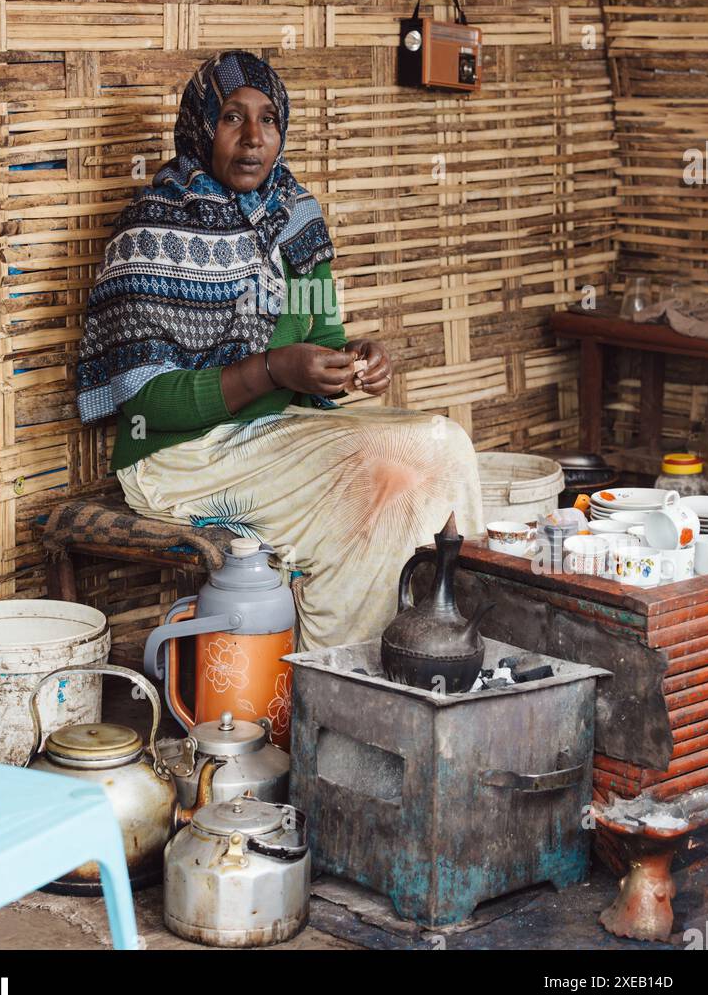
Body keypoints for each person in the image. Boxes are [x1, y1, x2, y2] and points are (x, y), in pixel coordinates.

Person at [77, 50, 483, 650]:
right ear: (199, 127)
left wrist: (356, 364)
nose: (252, 138)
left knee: (442, 449)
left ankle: (444, 648)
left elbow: (322, 342)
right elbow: (146, 403)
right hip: (182, 459)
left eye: (268, 119)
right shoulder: (152, 231)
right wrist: (271, 370)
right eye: (232, 118)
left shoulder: (296, 218)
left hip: (275, 429)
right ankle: (342, 676)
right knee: (388, 475)